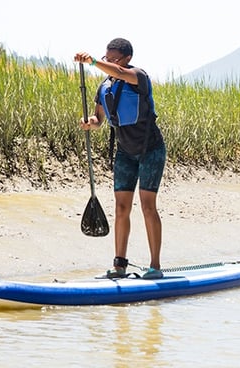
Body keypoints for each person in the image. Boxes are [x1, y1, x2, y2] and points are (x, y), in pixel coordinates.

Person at [74, 38, 166, 280]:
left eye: (114, 59)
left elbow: (120, 73)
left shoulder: (138, 77)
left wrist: (93, 62)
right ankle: (119, 266)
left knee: (147, 206)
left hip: (151, 149)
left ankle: (155, 266)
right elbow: (99, 119)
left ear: (127, 59)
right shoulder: (105, 87)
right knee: (121, 207)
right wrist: (89, 123)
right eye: (107, 58)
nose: (110, 63)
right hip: (125, 152)